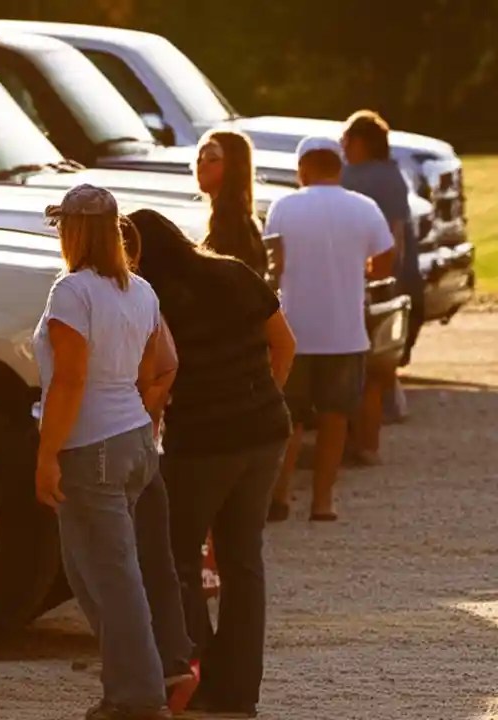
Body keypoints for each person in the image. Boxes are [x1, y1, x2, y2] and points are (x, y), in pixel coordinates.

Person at [128, 207, 296, 719]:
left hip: (202, 441)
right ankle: (239, 689)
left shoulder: (153, 299)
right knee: (244, 560)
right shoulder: (235, 273)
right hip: (265, 431)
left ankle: (193, 673)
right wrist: (263, 397)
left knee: (177, 554)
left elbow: (153, 377)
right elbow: (284, 343)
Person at [33, 184, 170, 720]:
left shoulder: (71, 291)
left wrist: (47, 455)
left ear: (73, 230)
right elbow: (147, 369)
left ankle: (138, 695)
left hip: (92, 446)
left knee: (111, 577)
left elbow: (69, 380)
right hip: (134, 437)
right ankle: (132, 680)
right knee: (93, 571)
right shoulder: (140, 291)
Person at [266, 137, 396, 522]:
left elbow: (276, 263)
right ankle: (323, 502)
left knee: (291, 418)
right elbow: (386, 259)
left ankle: (281, 494)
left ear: (302, 168)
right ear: (338, 167)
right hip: (345, 332)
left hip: (295, 331)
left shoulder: (283, 207)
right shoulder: (364, 208)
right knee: (335, 420)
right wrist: (362, 270)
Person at [120, 217, 199, 714]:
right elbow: (168, 362)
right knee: (157, 557)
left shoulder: (85, 294)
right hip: (147, 439)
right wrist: (148, 410)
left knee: (112, 565)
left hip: (107, 440)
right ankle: (174, 656)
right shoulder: (143, 294)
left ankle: (136, 673)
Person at [341, 109, 420, 458]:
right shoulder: (393, 175)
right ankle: (391, 403)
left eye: (347, 139)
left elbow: (393, 234)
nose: (343, 146)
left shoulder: (358, 177)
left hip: (375, 276)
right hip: (396, 274)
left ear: (359, 143)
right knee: (383, 350)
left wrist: (383, 276)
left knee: (368, 356)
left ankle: (367, 429)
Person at [193, 130, 268, 277]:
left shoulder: (233, 227)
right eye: (199, 159)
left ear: (234, 167)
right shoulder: (228, 220)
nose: (201, 166)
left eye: (212, 159)